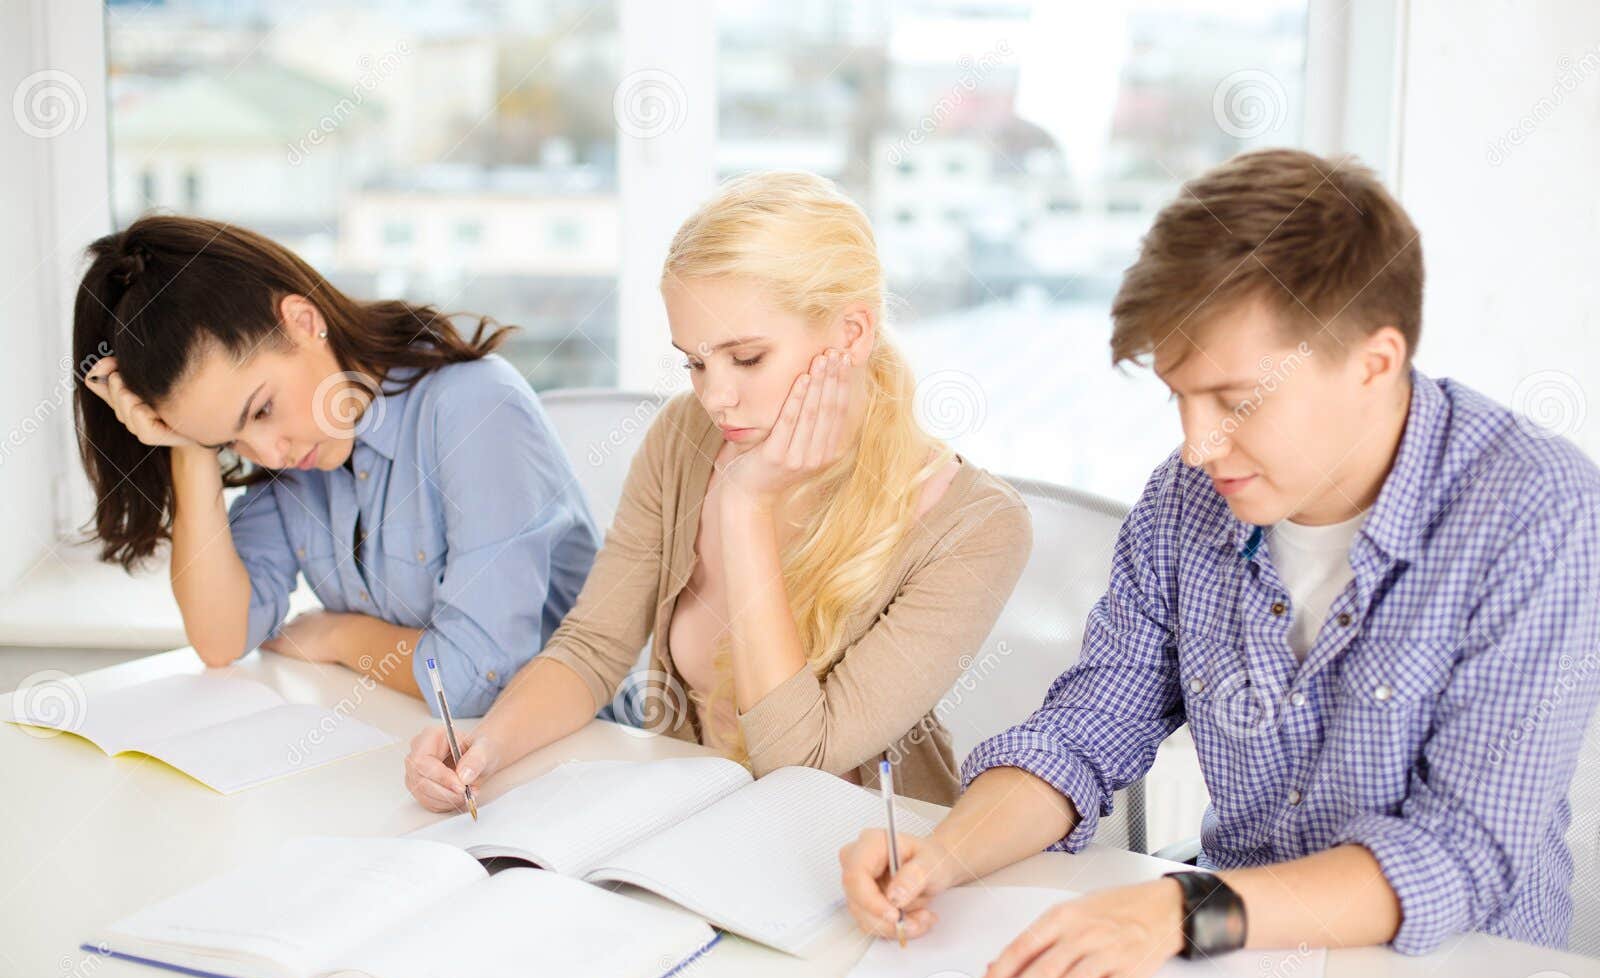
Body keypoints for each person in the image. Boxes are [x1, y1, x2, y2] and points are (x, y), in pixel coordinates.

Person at [839, 148, 1600, 978]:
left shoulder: (1541, 514)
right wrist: (945, 852)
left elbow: (1459, 850)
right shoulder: (1184, 500)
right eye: (1179, 398)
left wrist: (1178, 909)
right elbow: (1086, 732)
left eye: (1235, 401)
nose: (1198, 445)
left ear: (1375, 362)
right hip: (1230, 976)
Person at [404, 170, 1031, 810]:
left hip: (858, 862)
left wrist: (745, 504)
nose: (715, 397)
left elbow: (798, 761)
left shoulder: (975, 526)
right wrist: (485, 747)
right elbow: (592, 649)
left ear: (851, 333)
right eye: (695, 362)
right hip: (701, 833)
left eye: (748, 358)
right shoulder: (685, 436)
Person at [73, 215, 600, 716]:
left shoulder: (473, 407)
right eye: (231, 440)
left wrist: (337, 635)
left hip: (596, 752)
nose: (268, 452)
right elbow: (221, 637)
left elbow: (475, 679)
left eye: (262, 409)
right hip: (426, 749)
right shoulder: (295, 454)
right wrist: (189, 449)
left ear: (304, 322)